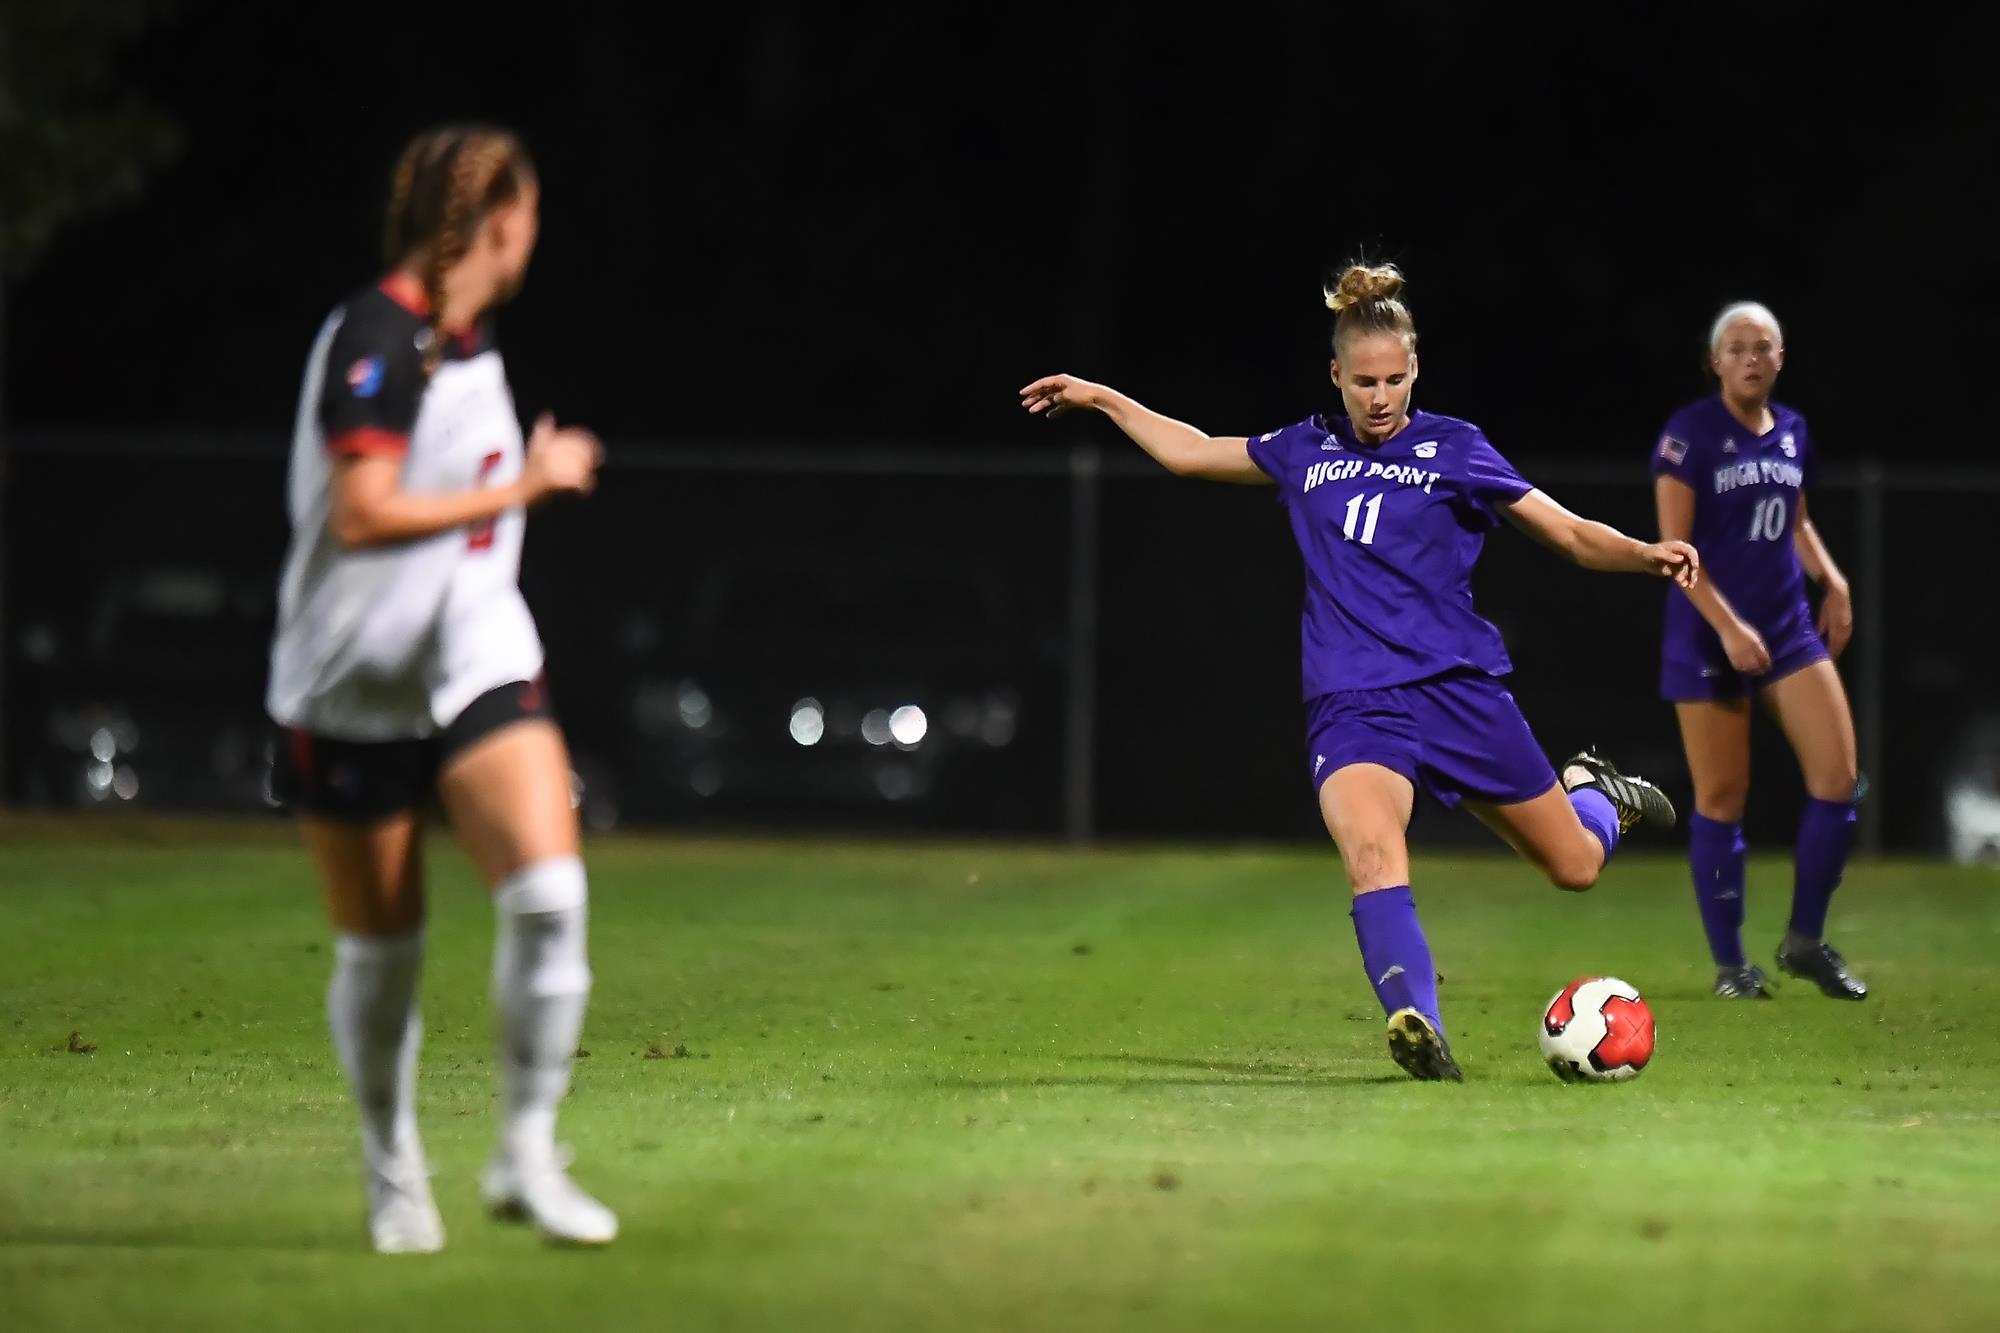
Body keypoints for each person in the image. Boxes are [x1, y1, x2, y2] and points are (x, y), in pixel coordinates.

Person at [1020, 262, 1696, 1081]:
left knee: (1575, 867)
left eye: (1394, 379)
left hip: (1459, 693)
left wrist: (1643, 555)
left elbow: (1568, 532)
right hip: (1354, 703)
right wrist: (1102, 397)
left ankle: (1595, 792)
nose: (1379, 397)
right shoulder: (1305, 447)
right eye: (1363, 381)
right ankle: (1421, 1026)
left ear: (1415, 372)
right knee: (1374, 855)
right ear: (1335, 375)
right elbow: (1194, 453)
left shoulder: (1456, 447)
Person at [266, 125, 616, 1252]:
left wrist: (513, 484)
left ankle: (523, 1152)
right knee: (382, 952)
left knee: (550, 896)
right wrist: (523, 484)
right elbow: (363, 513)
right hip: (350, 681)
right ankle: (392, 1169)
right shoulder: (376, 337)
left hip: (471, 658)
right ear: (496, 224)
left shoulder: (466, 337)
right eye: (530, 219)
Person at [1653, 301, 1866, 1001]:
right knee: (1723, 797)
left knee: (1838, 780)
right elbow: (1675, 555)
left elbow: (1795, 519)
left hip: (1786, 628)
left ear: (1780, 358)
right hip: (1709, 632)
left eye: (1763, 346)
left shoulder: (1793, 431)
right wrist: (1727, 625)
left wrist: (1830, 578)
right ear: (1716, 361)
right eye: (1736, 347)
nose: (1750, 357)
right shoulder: (1690, 436)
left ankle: (1805, 939)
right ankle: (1730, 966)